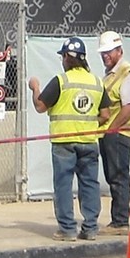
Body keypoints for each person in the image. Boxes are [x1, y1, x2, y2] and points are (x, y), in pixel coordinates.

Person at [29, 36, 105, 240]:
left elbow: (40, 106)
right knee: (89, 184)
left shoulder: (61, 81)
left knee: (63, 184)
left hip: (64, 143)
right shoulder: (97, 82)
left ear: (65, 58)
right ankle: (90, 228)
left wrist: (35, 87)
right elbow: (105, 115)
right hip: (89, 141)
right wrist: (87, 121)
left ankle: (68, 229)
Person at [96, 31, 130, 231]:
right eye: (103, 53)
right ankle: (117, 219)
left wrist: (112, 130)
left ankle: (121, 220)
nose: (105, 56)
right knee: (112, 175)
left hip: (119, 134)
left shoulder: (127, 74)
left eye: (109, 52)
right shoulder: (110, 76)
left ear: (119, 50)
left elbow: (129, 107)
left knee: (119, 175)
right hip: (109, 134)